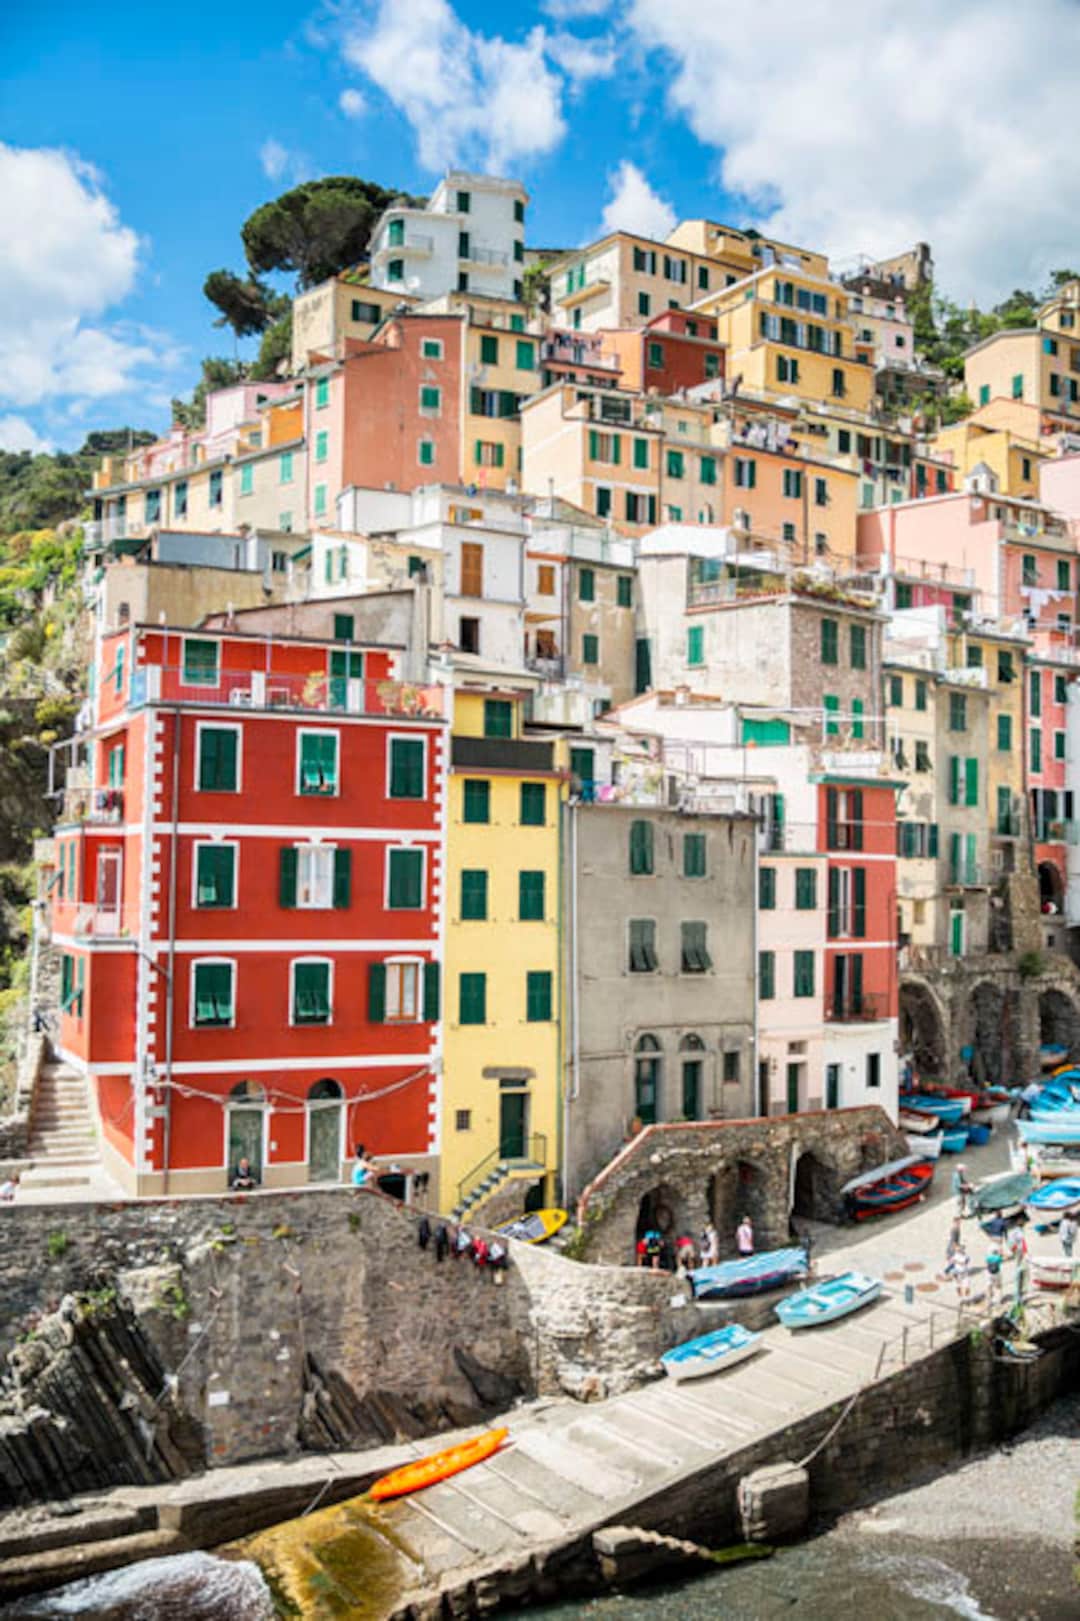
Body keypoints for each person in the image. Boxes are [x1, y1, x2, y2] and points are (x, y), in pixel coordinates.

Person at [984, 1241, 1004, 1308]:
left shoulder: (988, 1258)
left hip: (989, 1273)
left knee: (989, 1287)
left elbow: (986, 1264)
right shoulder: (998, 1258)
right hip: (997, 1273)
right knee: (998, 1287)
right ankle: (998, 1301)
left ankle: (988, 1302)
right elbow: (1003, 1259)